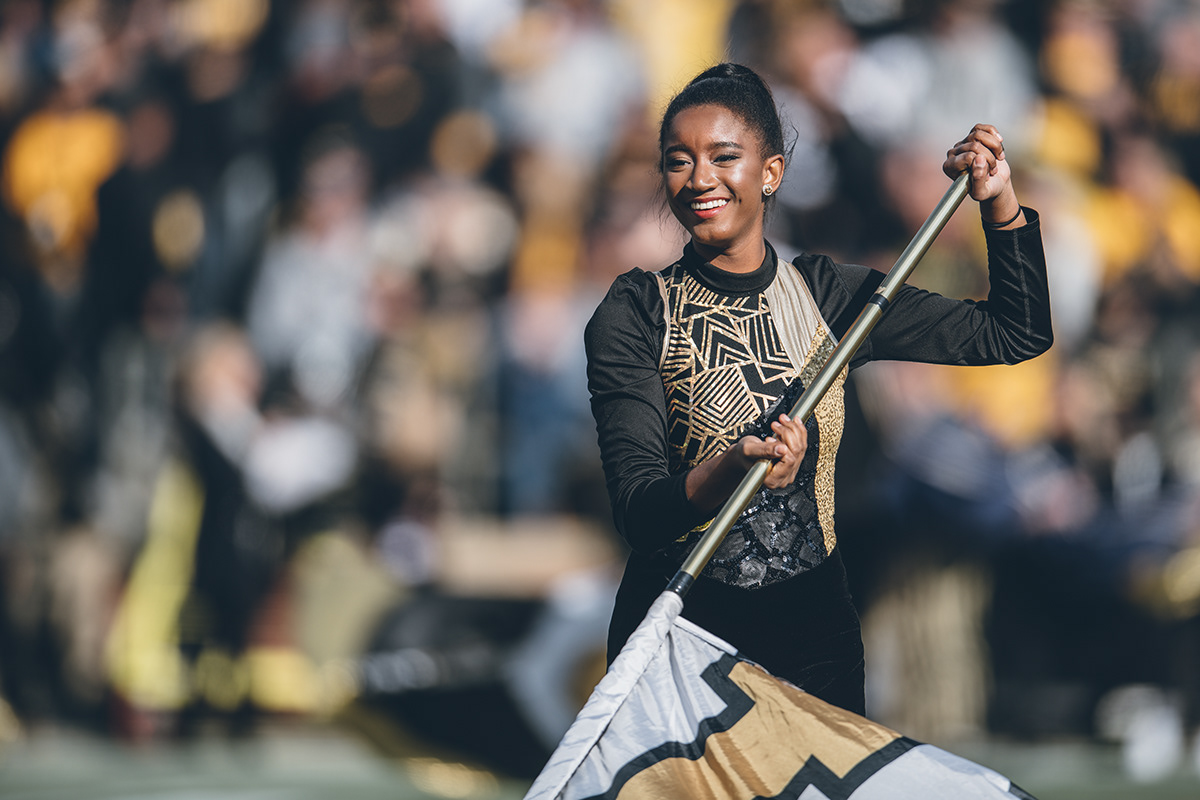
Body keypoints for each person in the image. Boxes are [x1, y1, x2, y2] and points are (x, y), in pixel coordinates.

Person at [583, 62, 1052, 716]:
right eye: (678, 160)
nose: (700, 179)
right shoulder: (635, 311)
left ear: (771, 171)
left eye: (724, 156)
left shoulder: (829, 295)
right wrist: (736, 464)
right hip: (678, 635)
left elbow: (1014, 332)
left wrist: (999, 201)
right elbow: (640, 509)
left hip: (810, 644)